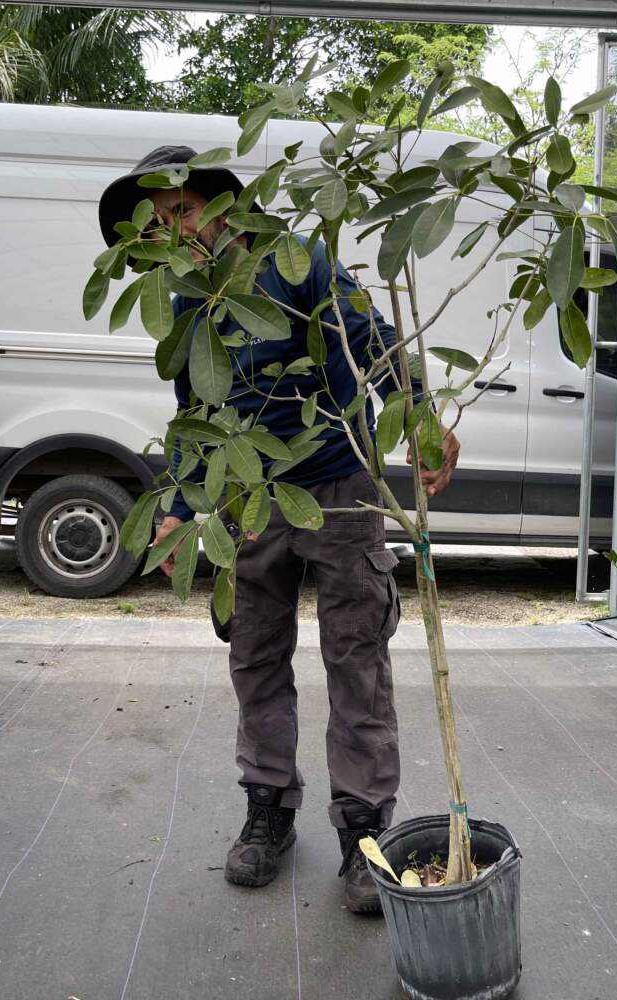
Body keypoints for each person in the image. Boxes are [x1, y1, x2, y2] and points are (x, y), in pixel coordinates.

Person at [99, 145, 460, 913]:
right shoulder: (186, 303)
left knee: (356, 656)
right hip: (247, 498)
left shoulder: (300, 261)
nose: (176, 231)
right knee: (255, 654)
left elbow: (374, 341)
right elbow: (197, 418)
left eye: (185, 211)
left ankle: (366, 833)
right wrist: (179, 506)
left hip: (341, 481)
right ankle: (269, 810)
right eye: (159, 224)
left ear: (223, 207)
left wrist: (421, 417)